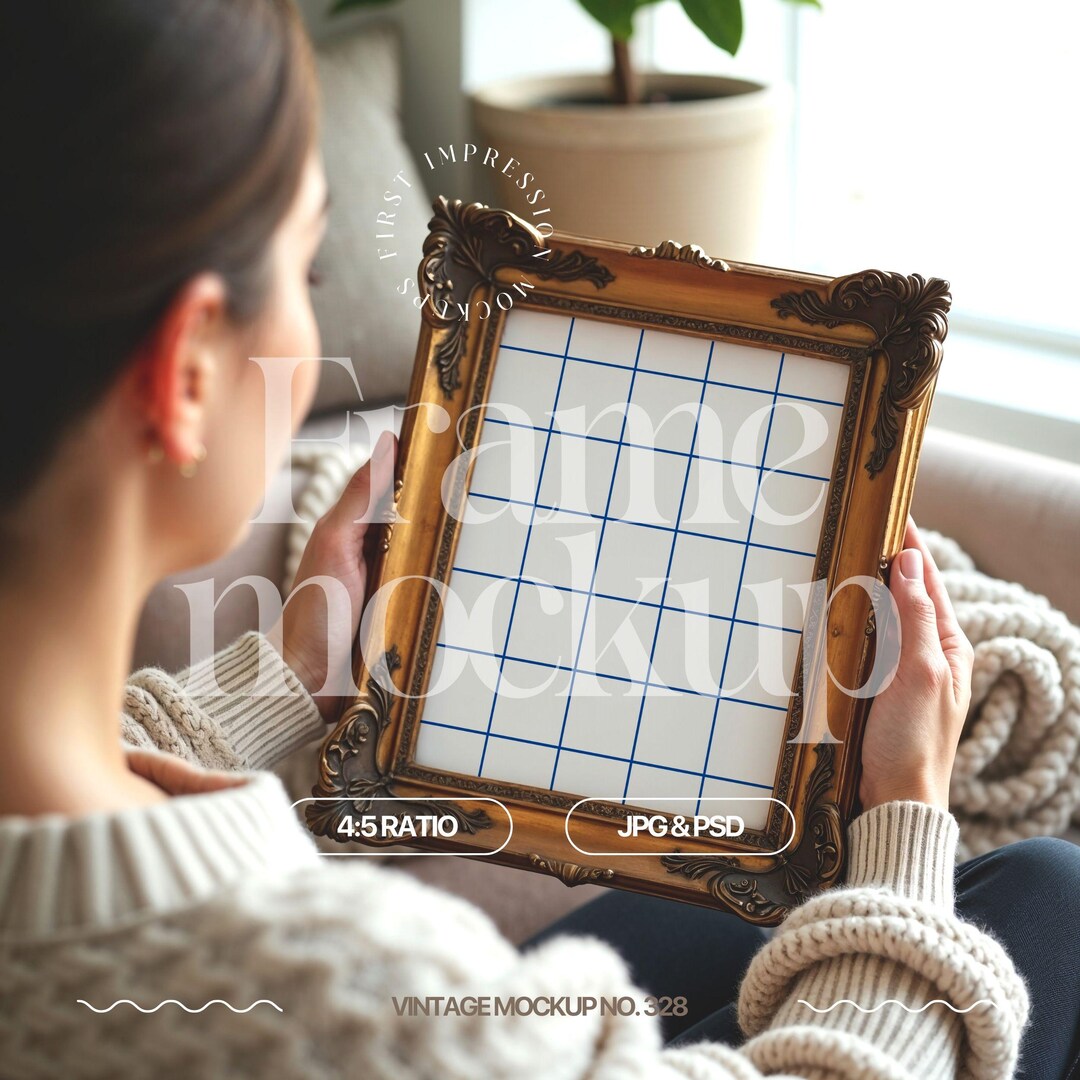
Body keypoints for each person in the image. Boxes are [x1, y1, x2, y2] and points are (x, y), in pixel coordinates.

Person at [1, 2, 1078, 1078]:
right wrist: (904, 822)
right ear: (186, 370)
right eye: (308, 269)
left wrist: (289, 676)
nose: (309, 327)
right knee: (1053, 897)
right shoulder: (356, 995)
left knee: (973, 892)